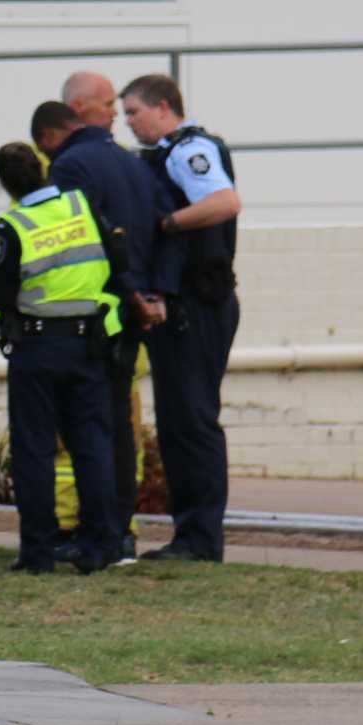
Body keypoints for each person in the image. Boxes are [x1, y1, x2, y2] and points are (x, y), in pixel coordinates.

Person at [0, 141, 132, 576]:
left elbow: (0, 289)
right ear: (44, 170)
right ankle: (101, 547)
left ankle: (38, 553)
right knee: (93, 446)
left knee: (35, 451)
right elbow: (118, 257)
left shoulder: (13, 225)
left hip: (38, 347)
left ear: (4, 184)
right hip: (90, 344)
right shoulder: (81, 207)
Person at [124, 71, 242, 564]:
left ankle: (200, 538)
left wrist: (167, 224)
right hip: (190, 304)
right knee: (178, 420)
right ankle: (190, 533)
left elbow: (223, 201)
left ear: (164, 107)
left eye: (133, 112)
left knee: (191, 419)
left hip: (198, 303)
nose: (127, 122)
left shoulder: (187, 150)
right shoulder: (167, 152)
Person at [47, 71, 165, 558]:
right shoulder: (133, 166)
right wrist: (146, 295)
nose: (115, 112)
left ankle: (94, 533)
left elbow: (84, 242)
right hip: (133, 315)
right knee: (120, 426)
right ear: (82, 108)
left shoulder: (70, 166)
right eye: (107, 104)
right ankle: (121, 530)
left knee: (90, 428)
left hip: (93, 316)